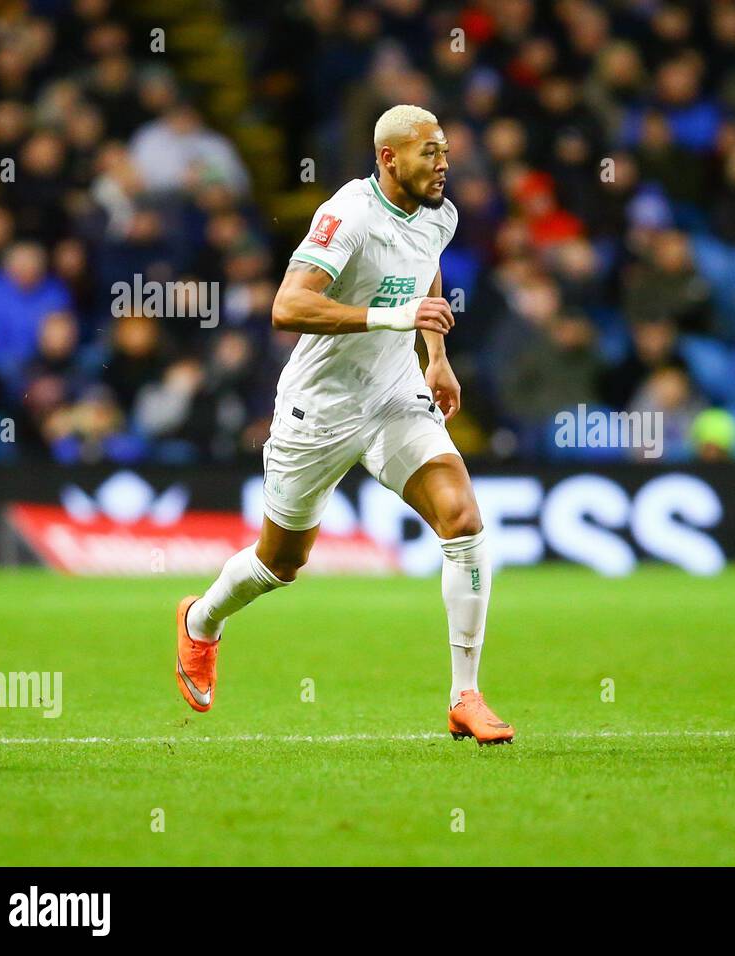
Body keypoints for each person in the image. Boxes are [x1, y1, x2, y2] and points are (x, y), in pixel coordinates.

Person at [174, 105, 515, 745]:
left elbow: (428, 266)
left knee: (463, 519)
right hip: (320, 408)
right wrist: (395, 319)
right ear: (389, 158)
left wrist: (435, 358)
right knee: (281, 563)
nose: (443, 164)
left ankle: (464, 695)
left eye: (445, 151)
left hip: (395, 394)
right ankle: (201, 619)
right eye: (428, 152)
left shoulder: (441, 212)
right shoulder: (348, 215)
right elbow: (288, 305)